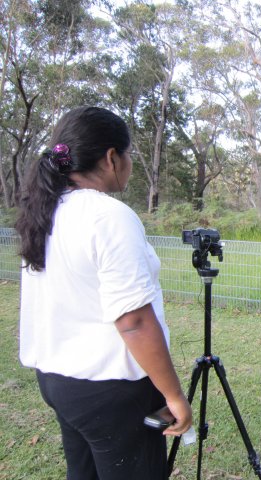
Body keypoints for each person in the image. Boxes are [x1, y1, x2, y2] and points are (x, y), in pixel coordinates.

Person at [16, 106, 192, 480]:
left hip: (58, 381)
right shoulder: (107, 216)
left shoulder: (46, 211)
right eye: (128, 155)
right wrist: (174, 396)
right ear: (112, 158)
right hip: (109, 391)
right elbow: (133, 321)